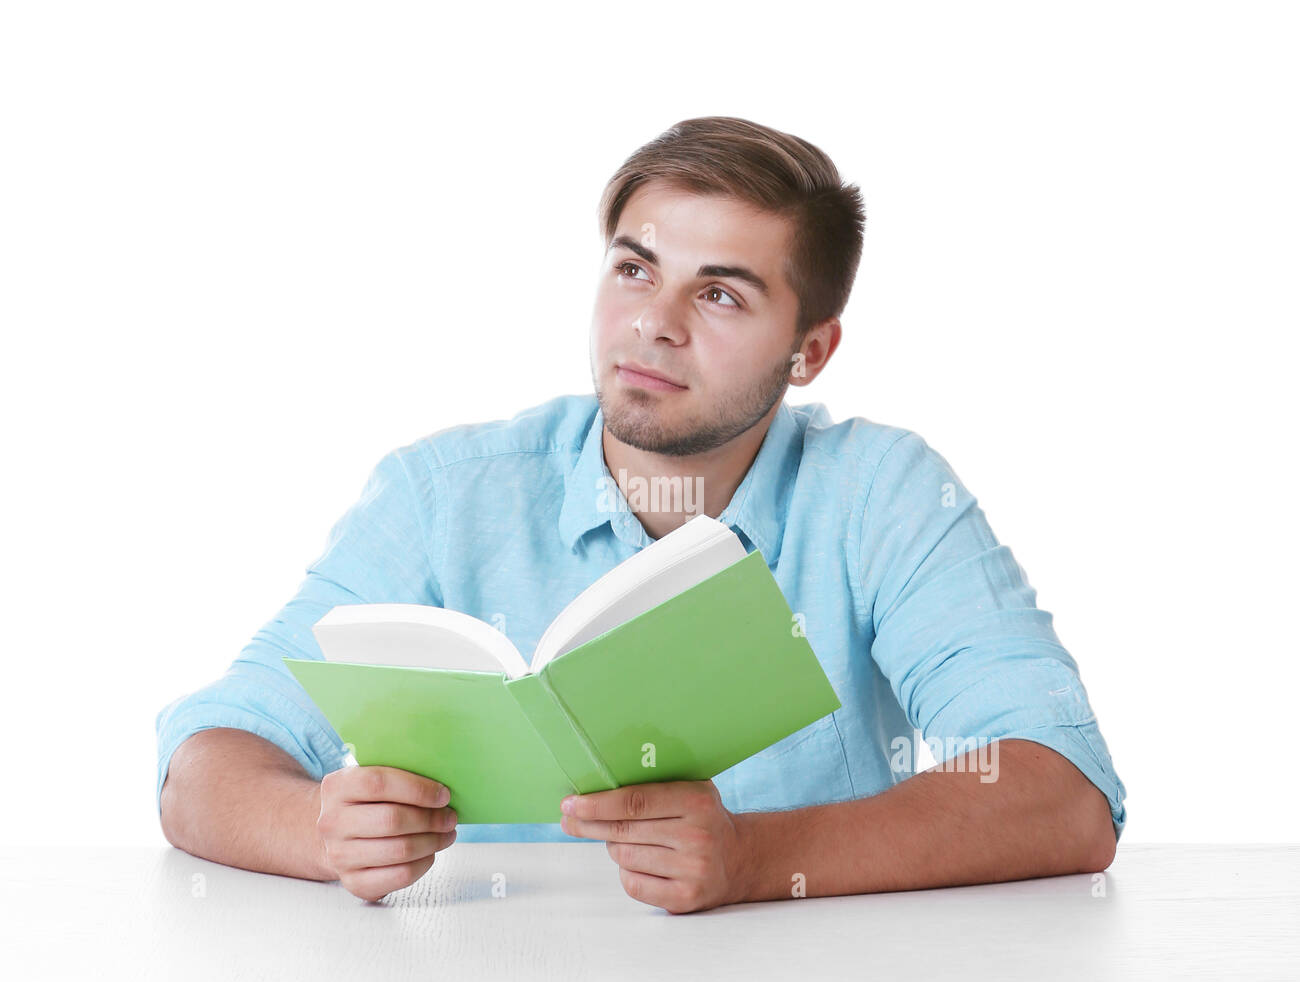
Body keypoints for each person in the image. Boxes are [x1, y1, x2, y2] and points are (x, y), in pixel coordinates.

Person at [158, 116, 1127, 914]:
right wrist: (321, 830)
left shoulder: (883, 492)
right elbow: (207, 762)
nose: (654, 323)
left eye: (718, 293)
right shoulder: (447, 492)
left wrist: (753, 859)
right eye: (634, 269)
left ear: (810, 351)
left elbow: (1062, 793)